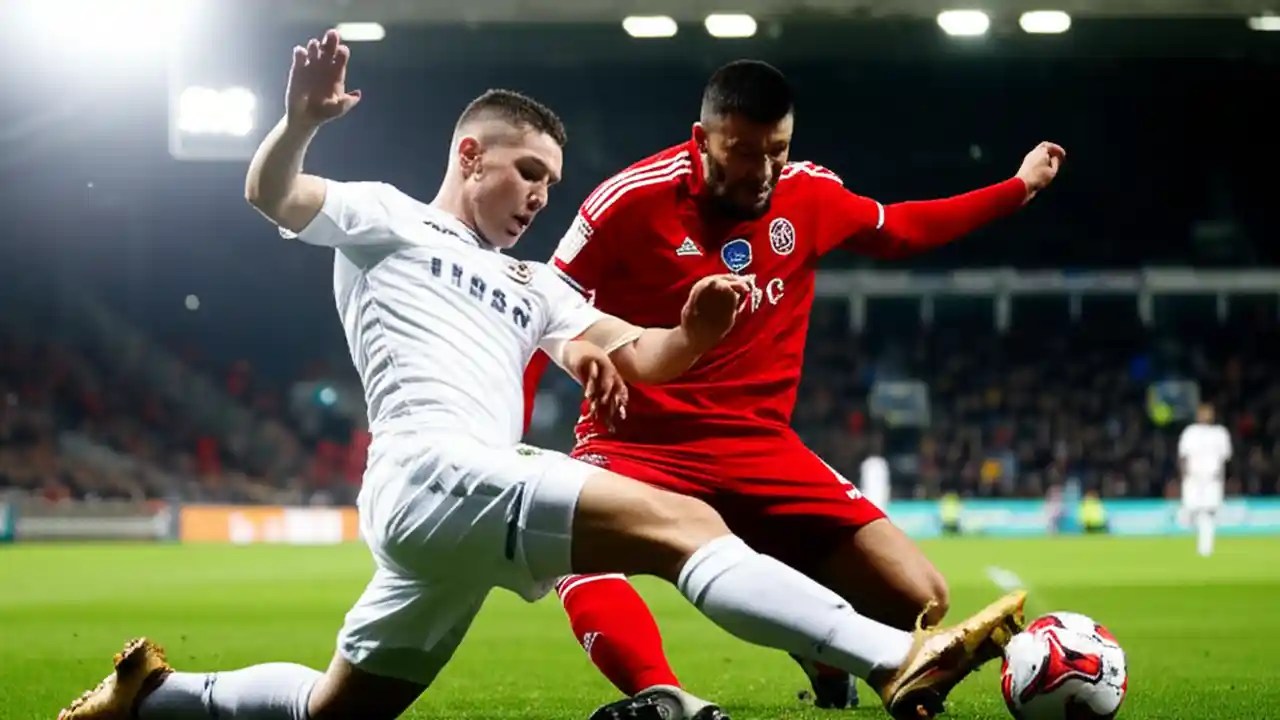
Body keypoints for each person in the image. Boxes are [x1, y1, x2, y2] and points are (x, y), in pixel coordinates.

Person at [59, 31, 1026, 720]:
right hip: (429, 469)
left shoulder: (533, 284)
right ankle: (894, 660)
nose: (538, 197)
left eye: (551, 185)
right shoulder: (389, 218)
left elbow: (638, 355)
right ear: (469, 154)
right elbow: (271, 193)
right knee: (687, 524)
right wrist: (299, 124)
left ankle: (152, 699)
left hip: (450, 515)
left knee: (335, 709)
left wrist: (691, 332)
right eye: (526, 173)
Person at [523, 58, 1063, 712]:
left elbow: (901, 229)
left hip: (761, 449)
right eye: (743, 152)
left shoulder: (810, 194)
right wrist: (511, 427)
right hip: (636, 444)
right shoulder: (630, 200)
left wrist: (1016, 189)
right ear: (702, 140)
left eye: (776, 150)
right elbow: (540, 306)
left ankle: (819, 646)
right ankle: (662, 699)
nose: (763, 170)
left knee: (922, 599)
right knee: (575, 549)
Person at [1178, 402, 1232, 557]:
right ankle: (1200, 536)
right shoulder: (1190, 432)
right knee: (1190, 513)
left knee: (1208, 512)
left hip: (1212, 479)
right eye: (1203, 413)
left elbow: (1225, 458)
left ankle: (1205, 548)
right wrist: (1184, 476)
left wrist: (1223, 478)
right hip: (1193, 478)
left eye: (1208, 413)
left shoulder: (1220, 433)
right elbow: (1183, 456)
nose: (1205, 416)